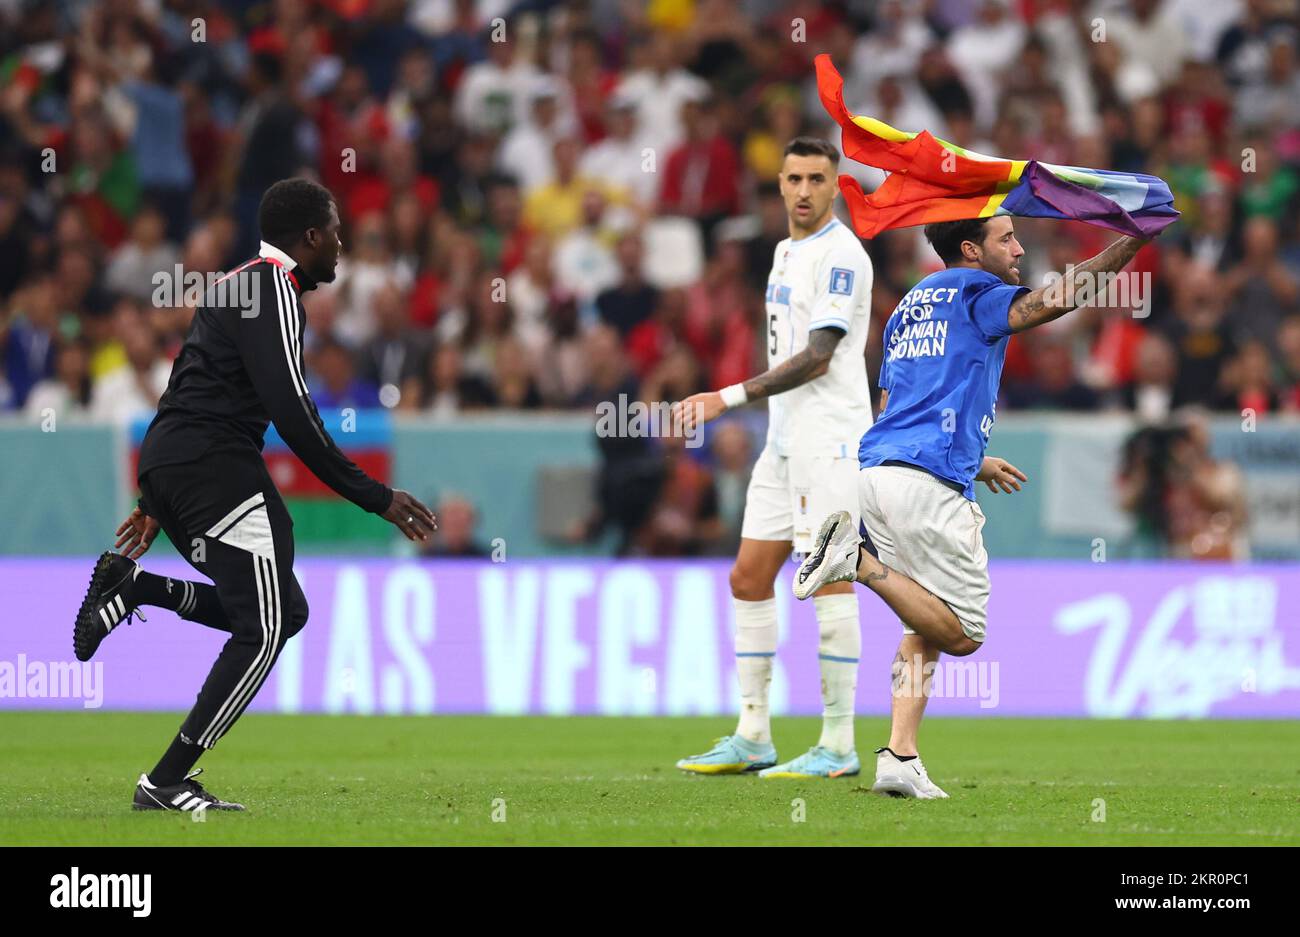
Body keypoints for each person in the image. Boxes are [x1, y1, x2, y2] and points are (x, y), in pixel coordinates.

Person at [73, 178, 436, 812]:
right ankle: (165, 782)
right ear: (311, 237)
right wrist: (375, 496)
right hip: (212, 464)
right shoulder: (272, 290)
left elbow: (191, 381)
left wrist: (158, 494)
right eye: (337, 232)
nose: (343, 245)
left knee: (282, 612)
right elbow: (293, 412)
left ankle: (139, 588)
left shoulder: (236, 284)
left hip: (177, 459)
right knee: (266, 630)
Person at [793, 215, 1149, 798]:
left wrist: (972, 458)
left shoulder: (911, 303)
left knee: (923, 620)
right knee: (964, 633)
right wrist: (1132, 238)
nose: (1019, 247)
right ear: (970, 249)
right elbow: (1058, 299)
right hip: (925, 484)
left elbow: (897, 400)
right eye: (1006, 237)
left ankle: (900, 758)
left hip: (881, 470)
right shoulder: (976, 289)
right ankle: (857, 564)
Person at [672, 137, 874, 779]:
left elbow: (818, 354)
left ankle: (838, 744)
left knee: (828, 579)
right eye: (794, 178)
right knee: (748, 578)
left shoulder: (842, 255)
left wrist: (726, 397)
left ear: (836, 183)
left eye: (818, 177)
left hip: (832, 439)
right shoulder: (786, 252)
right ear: (780, 185)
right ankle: (754, 733)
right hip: (784, 441)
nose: (806, 189)